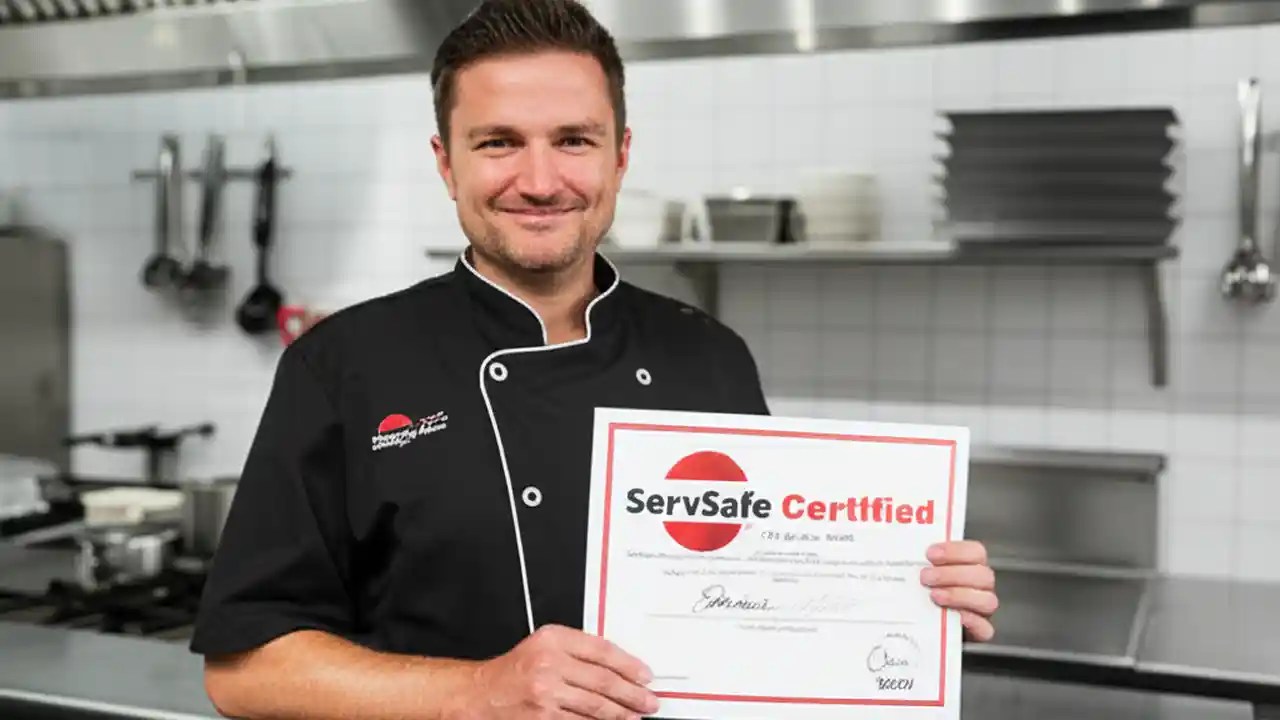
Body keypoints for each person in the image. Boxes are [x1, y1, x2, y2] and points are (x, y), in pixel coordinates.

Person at [190, 1, 999, 717]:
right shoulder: (343, 365)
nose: (540, 181)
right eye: (499, 142)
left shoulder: (710, 356)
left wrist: (899, 599)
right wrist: (473, 693)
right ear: (447, 163)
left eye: (573, 140)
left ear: (620, 155)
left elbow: (760, 606)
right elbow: (242, 672)